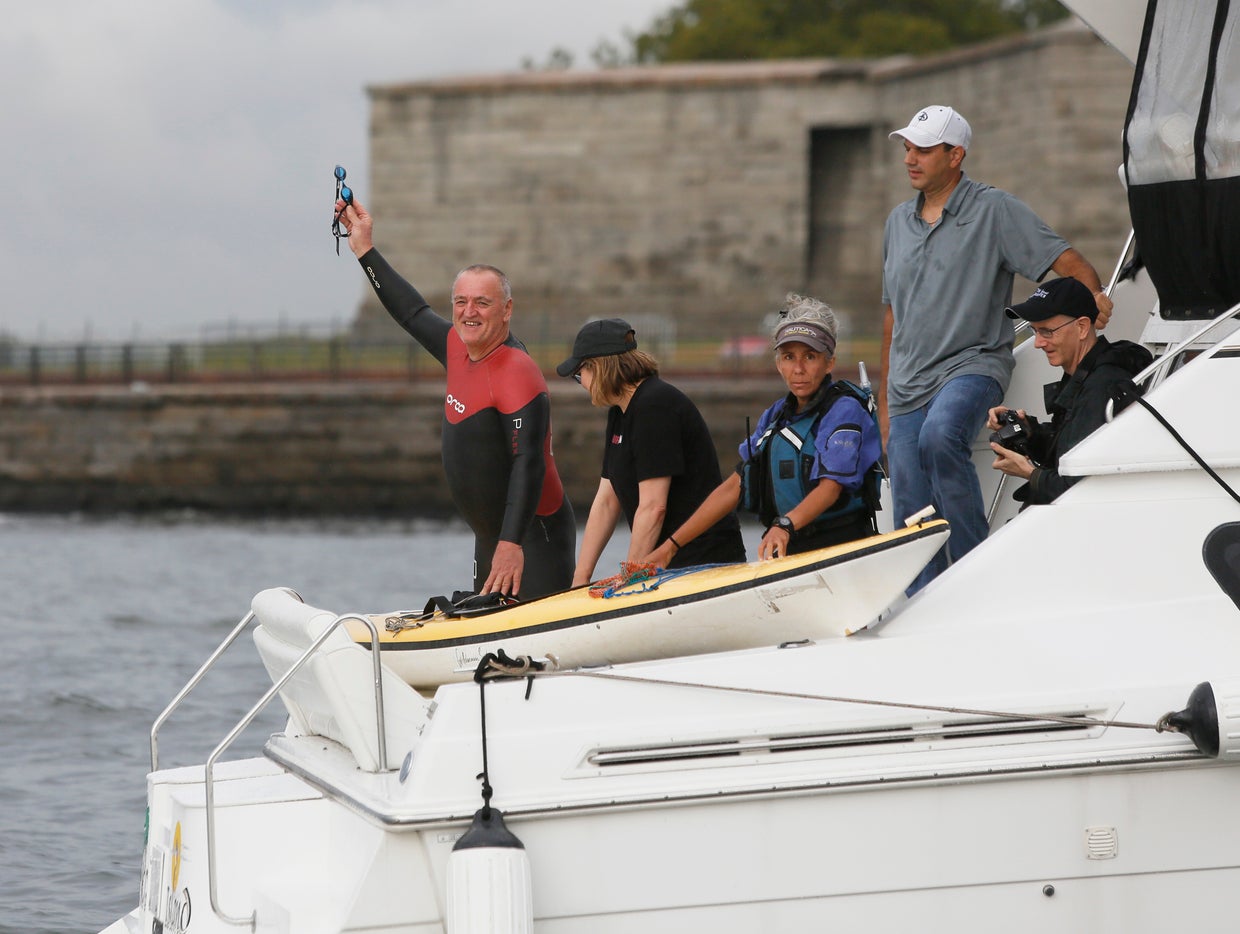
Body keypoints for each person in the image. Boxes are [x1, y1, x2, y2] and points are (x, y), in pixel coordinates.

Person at [880, 104, 1115, 594]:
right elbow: (891, 317)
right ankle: (923, 603)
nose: (910, 159)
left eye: (923, 149)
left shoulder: (995, 209)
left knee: (940, 437)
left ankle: (975, 579)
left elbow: (1070, 264)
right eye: (907, 149)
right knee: (908, 507)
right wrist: (885, 401)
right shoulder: (896, 223)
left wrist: (1094, 306)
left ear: (955, 154)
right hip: (905, 383)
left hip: (973, 364)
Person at [334, 196, 574, 599]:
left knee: (526, 653)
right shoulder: (456, 347)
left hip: (532, 538)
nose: (469, 312)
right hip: (491, 537)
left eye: (483, 302)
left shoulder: (516, 370)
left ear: (507, 309)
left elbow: (528, 462)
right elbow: (410, 311)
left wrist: (512, 545)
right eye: (461, 302)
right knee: (488, 649)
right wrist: (363, 248)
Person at [647, 294, 882, 568]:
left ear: (829, 363)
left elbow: (830, 489)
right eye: (789, 357)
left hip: (842, 547)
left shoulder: (845, 410)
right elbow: (732, 488)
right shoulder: (775, 416)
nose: (798, 369)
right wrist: (669, 548)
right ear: (778, 364)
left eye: (810, 356)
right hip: (789, 551)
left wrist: (783, 525)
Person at [558, 319, 746, 584]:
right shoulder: (620, 411)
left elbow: (653, 507)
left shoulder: (655, 407)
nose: (581, 383)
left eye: (579, 375)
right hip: (661, 568)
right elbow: (606, 501)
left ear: (598, 368)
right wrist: (580, 578)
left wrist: (629, 575)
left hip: (701, 564)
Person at [989, 277, 1152, 505]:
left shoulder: (1102, 386)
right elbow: (1069, 446)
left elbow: (1083, 487)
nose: (1037, 343)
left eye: (1046, 332)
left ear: (1082, 327)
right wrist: (1029, 431)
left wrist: (1029, 473)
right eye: (1035, 331)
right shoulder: (1087, 373)